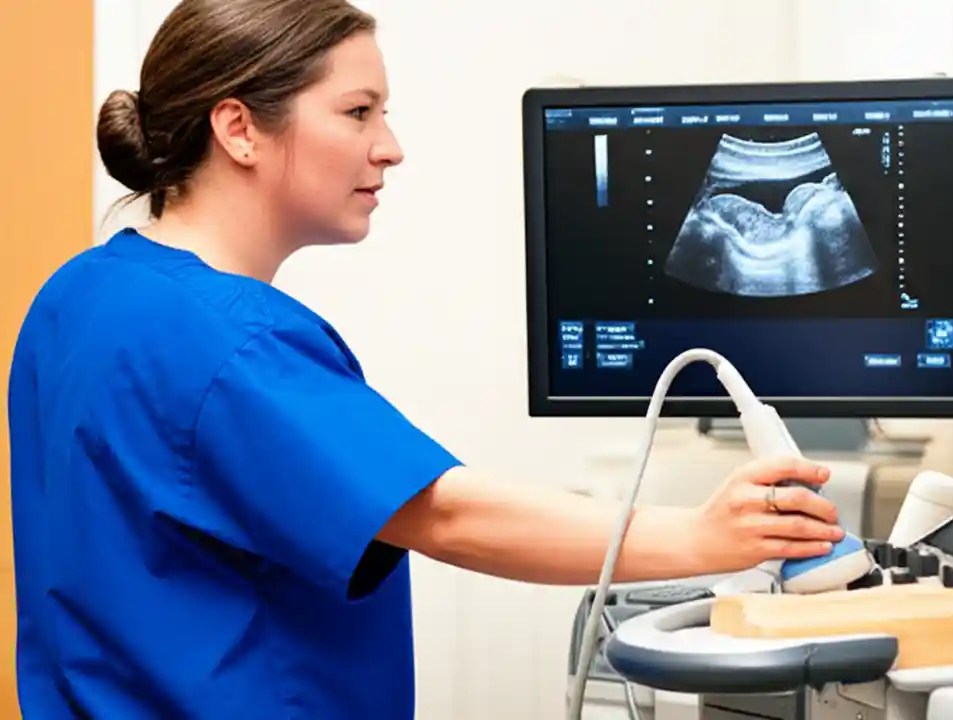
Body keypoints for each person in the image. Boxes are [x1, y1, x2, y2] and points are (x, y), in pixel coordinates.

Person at [6, 1, 848, 718]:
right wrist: (703, 536)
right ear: (239, 129)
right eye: (358, 112)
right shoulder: (232, 343)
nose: (390, 146)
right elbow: (445, 515)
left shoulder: (76, 295)